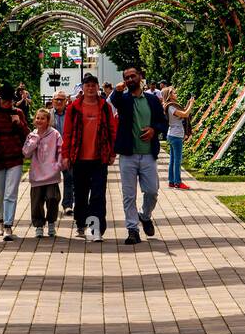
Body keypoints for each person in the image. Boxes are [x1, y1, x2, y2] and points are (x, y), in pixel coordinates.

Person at [109, 67, 168, 245]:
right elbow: (113, 100)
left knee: (152, 191)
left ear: (140, 77)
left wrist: (153, 130)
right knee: (129, 195)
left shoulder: (151, 100)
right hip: (128, 155)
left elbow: (163, 122)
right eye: (126, 77)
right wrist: (117, 90)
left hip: (148, 154)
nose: (130, 79)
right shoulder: (124, 99)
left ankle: (145, 215)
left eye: (133, 76)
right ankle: (132, 229)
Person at [60, 73, 117, 241]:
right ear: (83, 88)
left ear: (98, 87)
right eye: (88, 85)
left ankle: (96, 230)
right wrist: (66, 155)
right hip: (79, 158)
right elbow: (68, 132)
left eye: (93, 85)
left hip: (100, 157)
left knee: (98, 195)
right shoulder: (74, 107)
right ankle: (80, 223)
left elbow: (112, 130)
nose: (91, 88)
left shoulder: (104, 107)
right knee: (81, 194)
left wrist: (113, 152)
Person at [0, 84, 29, 241]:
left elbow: (27, 136)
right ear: (0, 100)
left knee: (11, 193)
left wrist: (19, 123)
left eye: (11, 101)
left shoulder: (18, 113)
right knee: (0, 193)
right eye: (6, 101)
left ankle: (8, 225)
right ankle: (1, 221)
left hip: (15, 158)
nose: (9, 104)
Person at [23, 108, 63, 238]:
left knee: (53, 198)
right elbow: (26, 153)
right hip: (37, 174)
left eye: (42, 118)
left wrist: (58, 165)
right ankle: (39, 225)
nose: (39, 120)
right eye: (37, 118)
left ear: (48, 120)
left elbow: (61, 150)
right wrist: (34, 141)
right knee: (36, 201)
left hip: (51, 174)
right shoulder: (32, 135)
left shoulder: (55, 134)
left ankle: (51, 222)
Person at [161, 86, 195, 189]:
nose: (176, 94)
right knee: (177, 160)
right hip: (176, 135)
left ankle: (171, 181)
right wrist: (192, 105)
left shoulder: (171, 106)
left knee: (172, 159)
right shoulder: (170, 106)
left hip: (173, 134)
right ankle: (178, 182)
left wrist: (188, 104)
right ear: (169, 96)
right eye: (174, 93)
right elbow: (185, 114)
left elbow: (183, 111)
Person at [49, 90, 75, 214]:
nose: (59, 101)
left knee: (69, 178)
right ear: (52, 101)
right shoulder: (48, 115)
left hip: (67, 152)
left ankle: (67, 205)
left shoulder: (71, 114)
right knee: (51, 180)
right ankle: (52, 203)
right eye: (56, 99)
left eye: (61, 99)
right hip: (52, 153)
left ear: (66, 101)